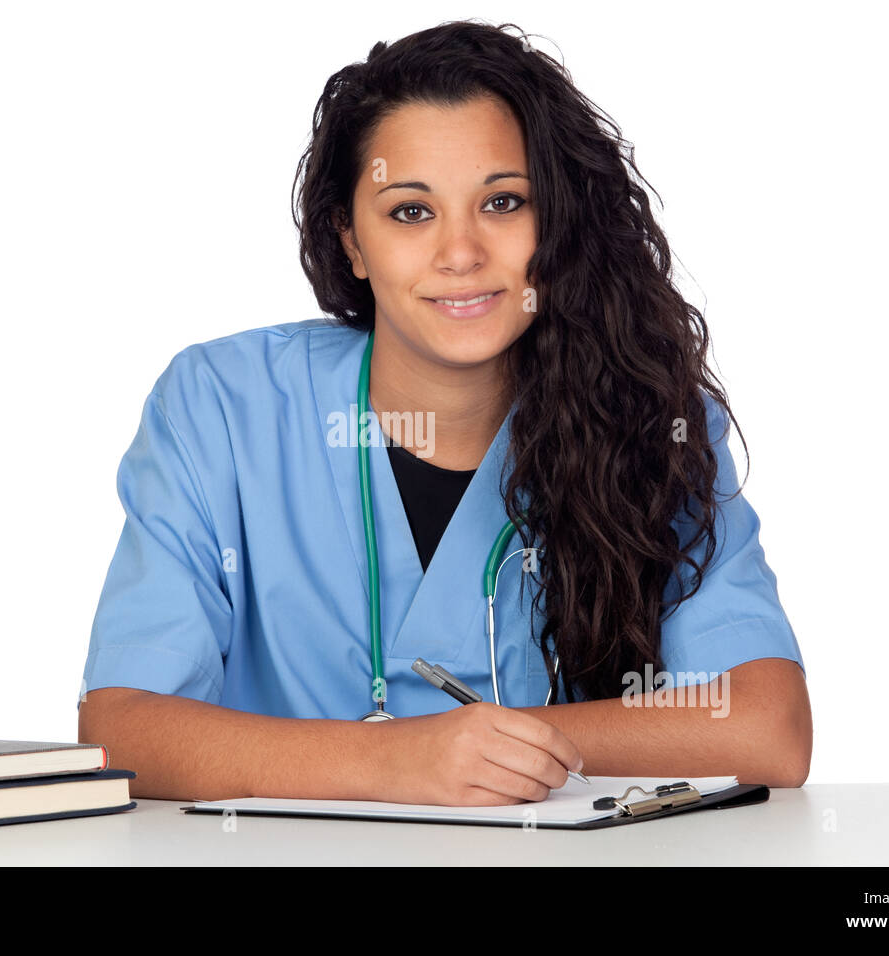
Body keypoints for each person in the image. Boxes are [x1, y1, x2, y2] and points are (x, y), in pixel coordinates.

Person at [77, 20, 812, 806]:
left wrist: (487, 749)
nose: (460, 253)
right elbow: (120, 729)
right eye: (410, 212)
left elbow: (766, 727)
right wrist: (394, 761)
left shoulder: (649, 416)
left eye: (503, 202)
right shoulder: (221, 408)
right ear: (351, 243)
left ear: (556, 224)